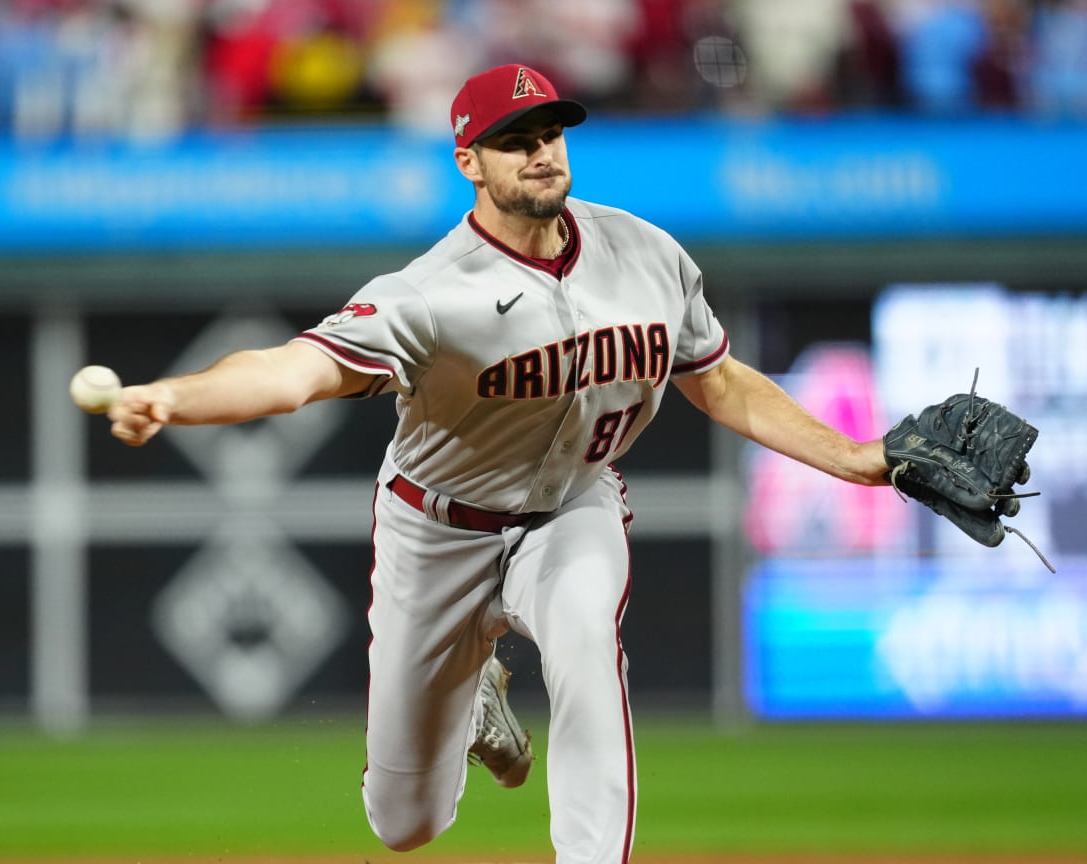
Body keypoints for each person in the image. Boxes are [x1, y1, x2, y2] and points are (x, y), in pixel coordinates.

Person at [107, 63, 892, 864]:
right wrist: (174, 397)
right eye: (514, 143)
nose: (541, 153)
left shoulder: (647, 253)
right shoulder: (429, 294)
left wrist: (858, 459)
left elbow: (719, 382)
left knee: (586, 639)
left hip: (571, 508)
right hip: (436, 530)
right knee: (404, 822)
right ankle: (474, 692)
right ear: (469, 163)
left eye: (549, 134)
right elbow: (290, 371)